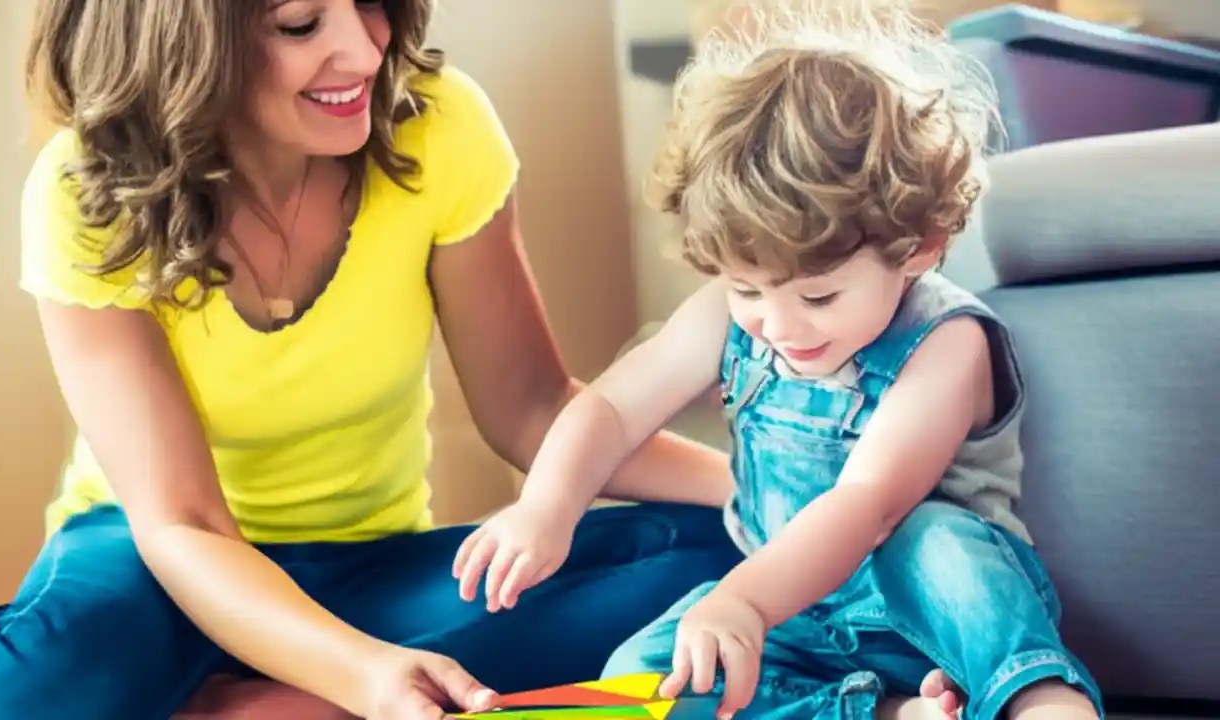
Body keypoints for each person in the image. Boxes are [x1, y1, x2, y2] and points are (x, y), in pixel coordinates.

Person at [0, 1, 746, 718]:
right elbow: (182, 522)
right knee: (17, 691)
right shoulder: (86, 191)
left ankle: (244, 697)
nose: (362, 51)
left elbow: (534, 411)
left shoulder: (440, 126)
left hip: (367, 572)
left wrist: (771, 495)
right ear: (185, 40)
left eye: (370, 4)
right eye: (301, 24)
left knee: (722, 554)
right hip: (150, 565)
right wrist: (361, 679)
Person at [453, 1, 1106, 718]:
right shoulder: (726, 319)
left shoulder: (947, 342)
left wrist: (742, 602)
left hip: (938, 608)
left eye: (819, 296)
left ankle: (1039, 693)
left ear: (916, 245)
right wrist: (549, 505)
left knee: (935, 539)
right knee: (644, 673)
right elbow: (606, 409)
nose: (779, 325)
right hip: (796, 615)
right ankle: (887, 712)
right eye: (747, 288)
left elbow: (869, 506)